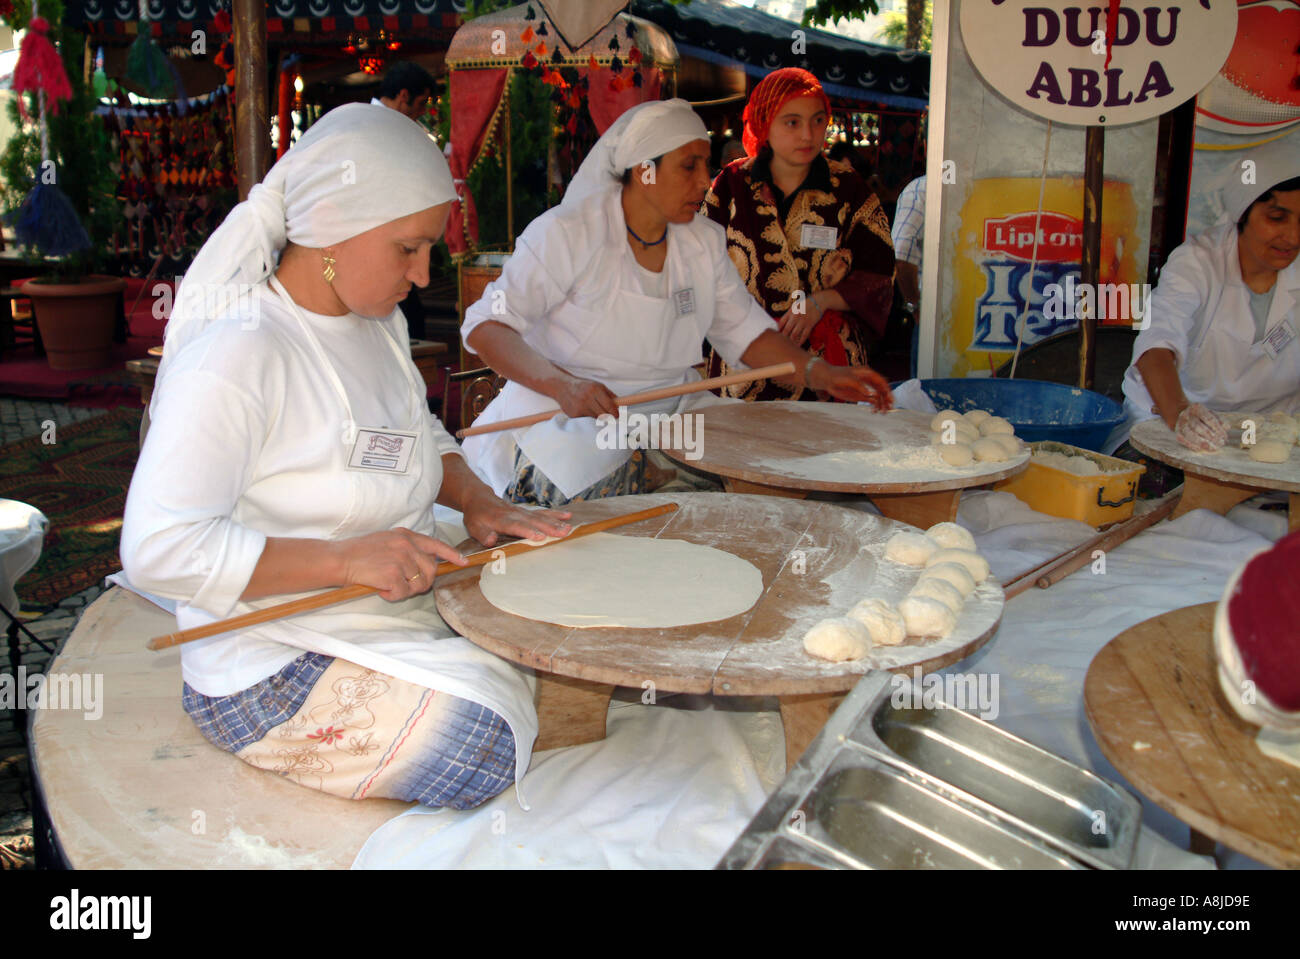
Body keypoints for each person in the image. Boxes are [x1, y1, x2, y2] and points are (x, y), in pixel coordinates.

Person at [120, 105, 572, 810]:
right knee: (487, 741)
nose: (424, 276)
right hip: (267, 657)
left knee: (552, 635)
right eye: (408, 248)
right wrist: (348, 558)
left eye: (430, 250)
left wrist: (479, 500)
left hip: (379, 622)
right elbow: (157, 547)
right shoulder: (239, 353)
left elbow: (416, 435)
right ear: (333, 226)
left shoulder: (379, 324)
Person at [460, 98, 894, 508]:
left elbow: (746, 333)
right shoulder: (567, 232)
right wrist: (563, 386)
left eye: (705, 164)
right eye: (689, 166)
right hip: (565, 417)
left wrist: (820, 373)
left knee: (768, 458)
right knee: (580, 473)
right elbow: (485, 328)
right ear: (644, 171)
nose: (705, 181)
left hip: (670, 411)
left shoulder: (701, 241)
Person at [703, 68, 896, 401]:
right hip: (745, 370)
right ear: (765, 122)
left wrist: (821, 303)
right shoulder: (731, 185)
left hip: (828, 371)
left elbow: (880, 274)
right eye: (792, 122)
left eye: (818, 121)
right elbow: (698, 266)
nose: (808, 134)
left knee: (828, 451)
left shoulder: (850, 189)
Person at [1121, 150, 1300, 455]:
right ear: (1242, 214)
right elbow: (1156, 347)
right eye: (1276, 218)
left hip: (1274, 437)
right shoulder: (1197, 263)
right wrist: (1183, 416)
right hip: (1172, 426)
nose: (1293, 237)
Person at [892, 174, 925, 377]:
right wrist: (915, 304)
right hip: (933, 317)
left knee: (928, 401)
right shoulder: (924, 189)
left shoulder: (922, 188)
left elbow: (901, 254)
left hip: (934, 316)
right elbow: (901, 258)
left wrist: (914, 304)